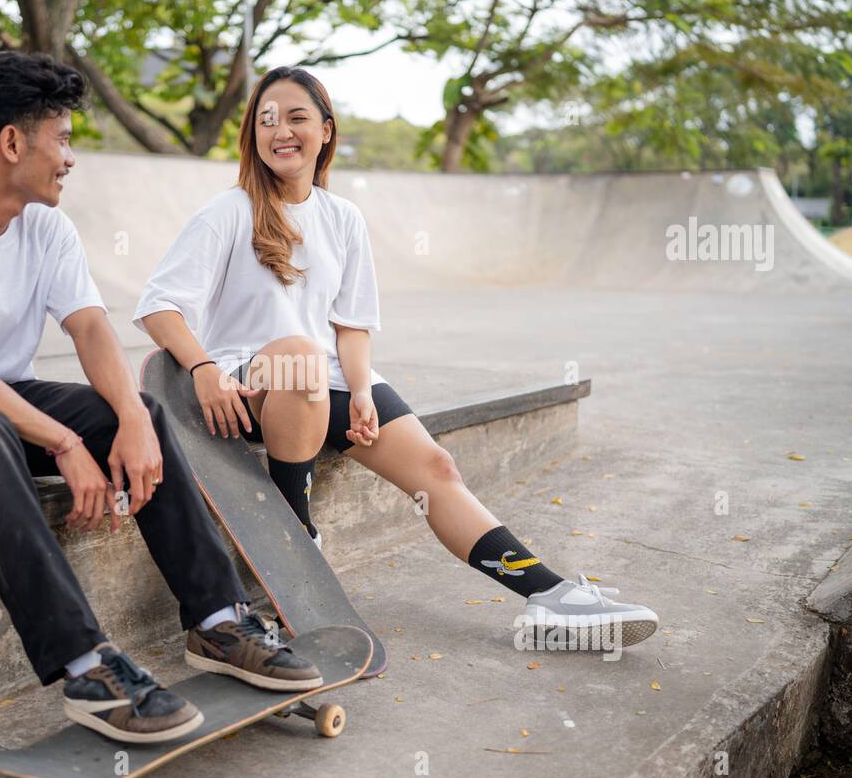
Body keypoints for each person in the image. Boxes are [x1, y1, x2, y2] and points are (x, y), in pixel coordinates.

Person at [0, 52, 322, 745]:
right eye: (61, 137)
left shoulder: (46, 227)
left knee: (137, 411)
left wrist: (130, 420)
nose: (70, 157)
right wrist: (62, 442)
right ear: (10, 143)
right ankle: (87, 667)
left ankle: (217, 620)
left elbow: (89, 328)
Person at [134, 66, 659, 649]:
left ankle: (549, 596)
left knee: (437, 471)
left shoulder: (342, 218)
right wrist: (204, 369)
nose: (279, 129)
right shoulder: (227, 212)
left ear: (326, 131)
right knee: (303, 357)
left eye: (296, 116)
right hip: (248, 381)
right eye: (265, 120)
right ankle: (293, 542)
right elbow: (159, 308)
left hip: (328, 379)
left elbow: (352, 326)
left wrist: (360, 390)